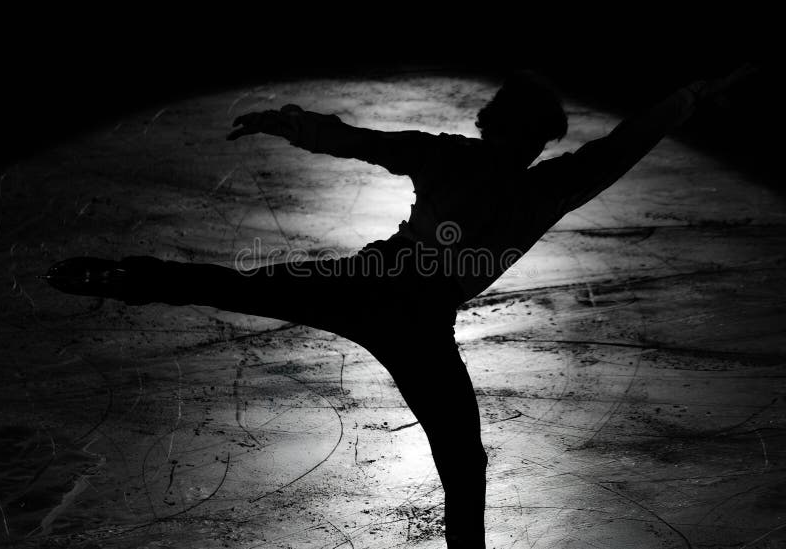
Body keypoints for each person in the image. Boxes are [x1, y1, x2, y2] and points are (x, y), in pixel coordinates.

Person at [44, 65, 754, 548]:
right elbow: (362, 140)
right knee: (248, 291)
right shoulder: (530, 180)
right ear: (507, 129)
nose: (521, 143)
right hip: (398, 302)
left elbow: (359, 140)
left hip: (394, 301)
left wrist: (286, 119)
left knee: (457, 454)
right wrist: (685, 100)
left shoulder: (502, 171)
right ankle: (121, 274)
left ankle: (122, 275)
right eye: (521, 132)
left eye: (529, 136)